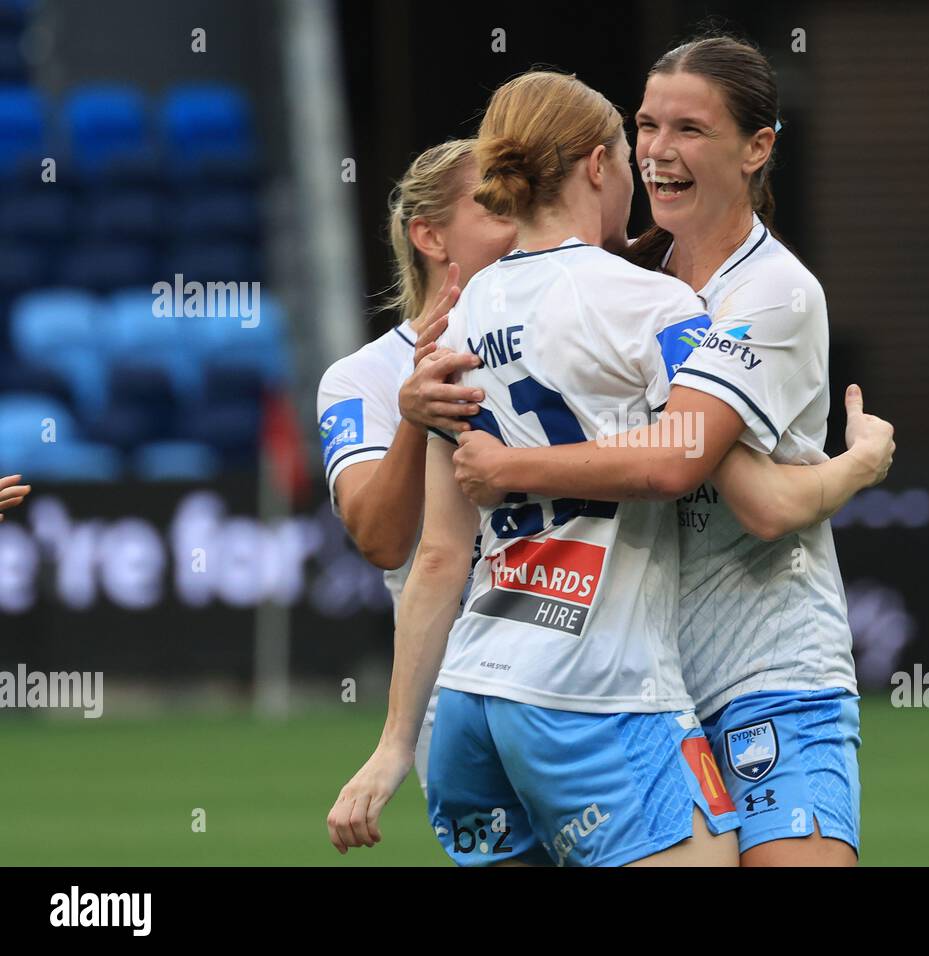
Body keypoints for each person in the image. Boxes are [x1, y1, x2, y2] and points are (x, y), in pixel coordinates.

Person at [438, 36, 890, 866]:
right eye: (646, 126)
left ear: (758, 148)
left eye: (690, 129)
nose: (658, 152)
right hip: (646, 681)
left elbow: (753, 503)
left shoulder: (773, 292)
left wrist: (859, 466)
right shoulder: (633, 280)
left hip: (769, 671)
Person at [318, 139, 515, 830]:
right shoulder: (359, 379)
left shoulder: (568, 337)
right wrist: (412, 417)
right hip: (453, 691)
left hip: (583, 667)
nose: (522, 221)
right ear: (429, 236)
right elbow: (380, 537)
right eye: (496, 206)